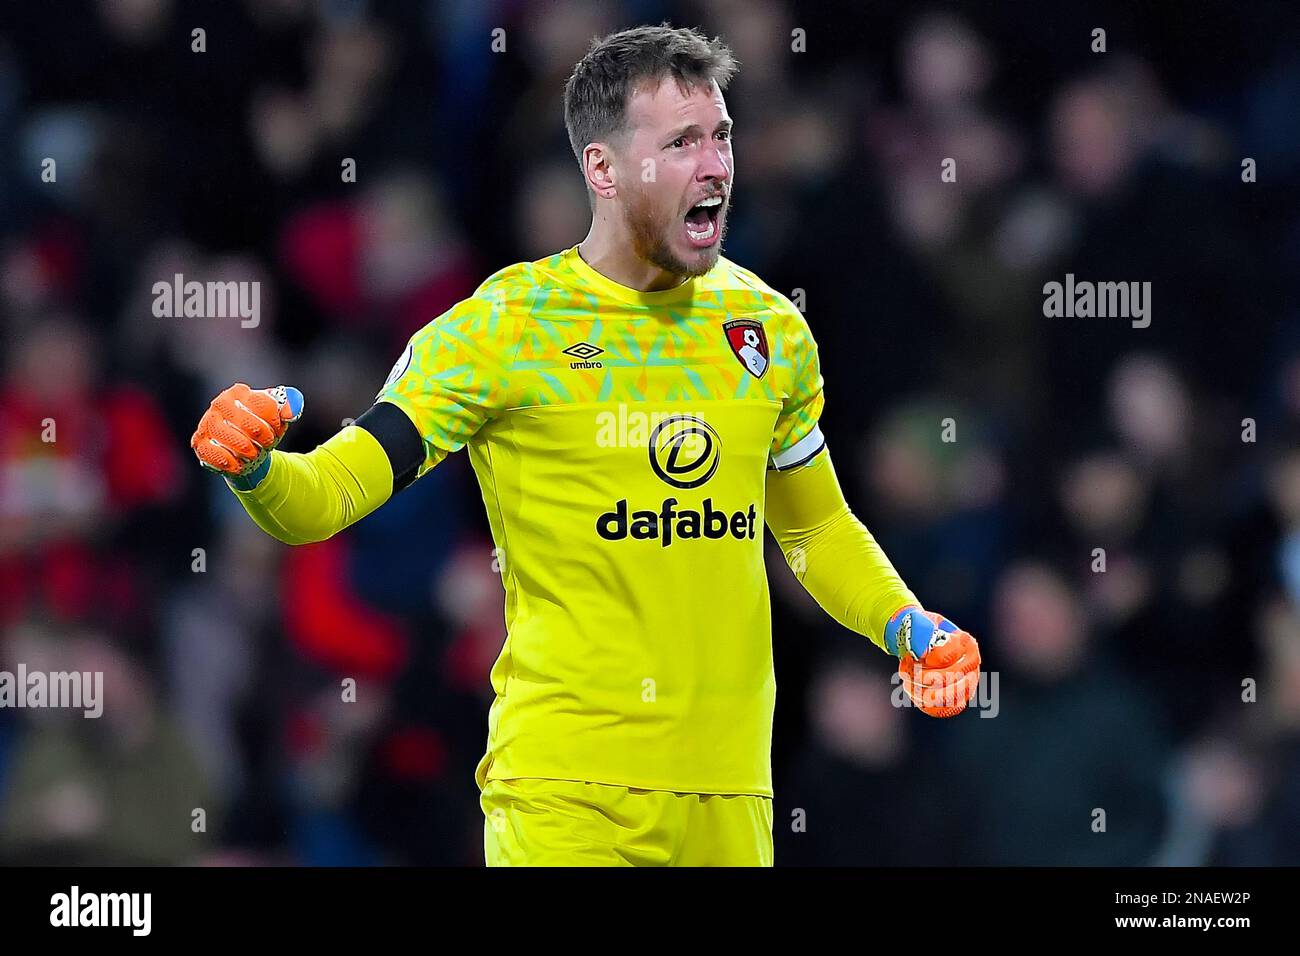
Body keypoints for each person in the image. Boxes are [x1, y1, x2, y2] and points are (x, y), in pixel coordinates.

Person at [188, 24, 980, 867]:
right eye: (681, 143)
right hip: (567, 794)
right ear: (601, 169)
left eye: (722, 137)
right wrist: (258, 468)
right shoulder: (502, 328)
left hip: (733, 796)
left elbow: (815, 530)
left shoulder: (769, 329)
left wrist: (906, 623)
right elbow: (327, 495)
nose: (716, 165)